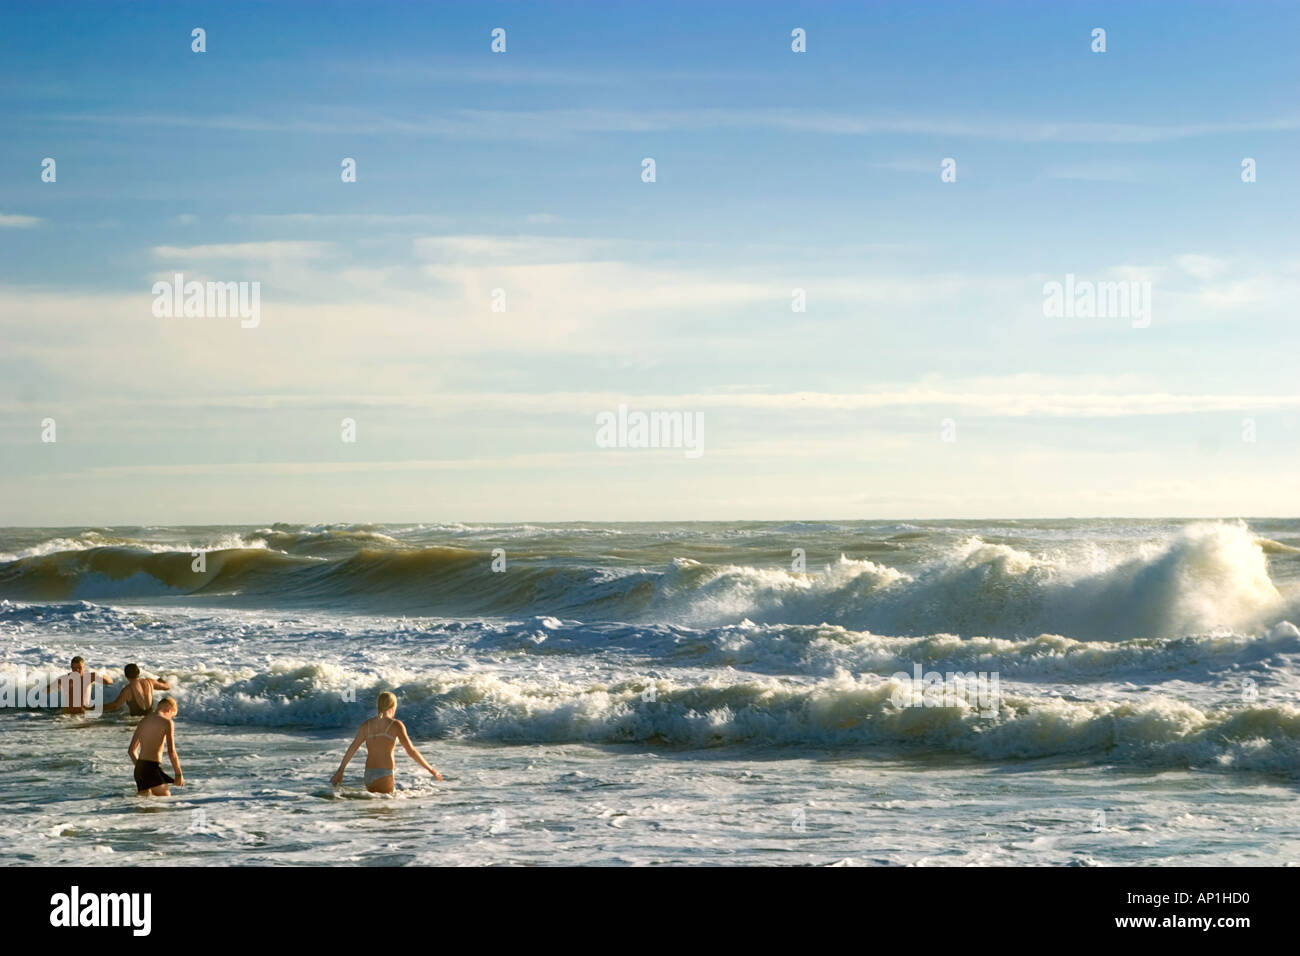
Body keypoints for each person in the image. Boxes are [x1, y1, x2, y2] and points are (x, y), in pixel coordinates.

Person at [331, 691, 442, 793]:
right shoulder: (396, 725)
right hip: (384, 774)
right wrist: (431, 770)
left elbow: (353, 748)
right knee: (387, 811)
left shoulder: (367, 724)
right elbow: (411, 751)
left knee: (374, 811)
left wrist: (340, 771)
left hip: (368, 774)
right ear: (393, 706)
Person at [127, 696, 185, 796]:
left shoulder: (143, 721)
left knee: (145, 807)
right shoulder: (167, 723)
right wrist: (179, 774)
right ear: (169, 709)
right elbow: (171, 752)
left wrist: (141, 769)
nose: (171, 718)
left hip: (139, 769)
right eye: (172, 715)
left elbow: (131, 751)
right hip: (152, 768)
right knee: (164, 802)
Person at [48, 656, 114, 715]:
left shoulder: (89, 677)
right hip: (66, 716)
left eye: (79, 668)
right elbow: (48, 690)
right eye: (74, 668)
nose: (77, 670)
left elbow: (109, 682)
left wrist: (99, 675)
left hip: (82, 715)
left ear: (83, 667)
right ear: (71, 667)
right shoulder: (65, 678)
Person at [104, 664, 171, 716]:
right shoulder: (150, 682)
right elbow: (167, 687)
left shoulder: (128, 689)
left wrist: (95, 707)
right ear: (138, 673)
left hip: (135, 722)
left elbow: (115, 705)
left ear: (126, 675)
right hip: (151, 719)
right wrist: (161, 680)